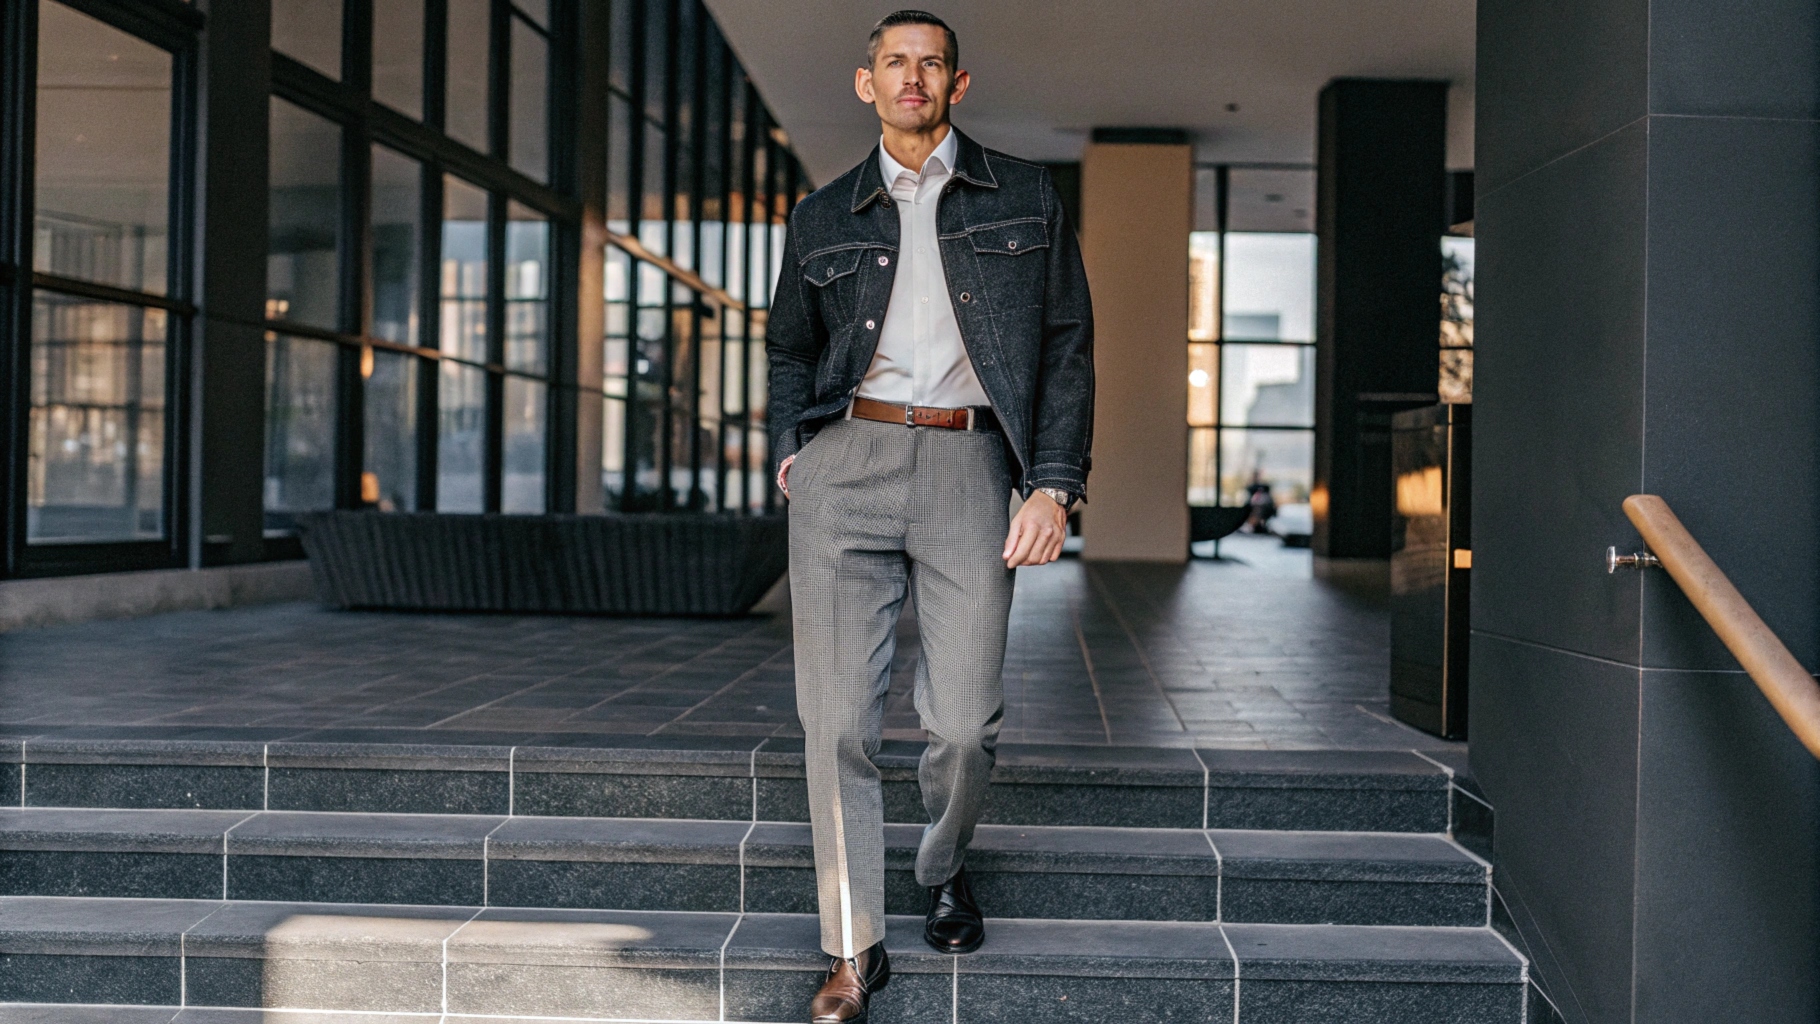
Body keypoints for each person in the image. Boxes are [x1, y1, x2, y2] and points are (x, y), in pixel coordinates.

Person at [766, 10, 1094, 1022]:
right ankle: (854, 948)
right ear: (865, 83)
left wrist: (1052, 482)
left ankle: (941, 864)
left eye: (931, 63)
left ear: (957, 83)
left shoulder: (1024, 195)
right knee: (835, 725)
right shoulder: (822, 215)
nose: (912, 78)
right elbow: (786, 345)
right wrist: (791, 449)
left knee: (960, 721)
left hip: (966, 462)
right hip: (845, 460)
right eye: (893, 63)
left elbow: (1067, 346)